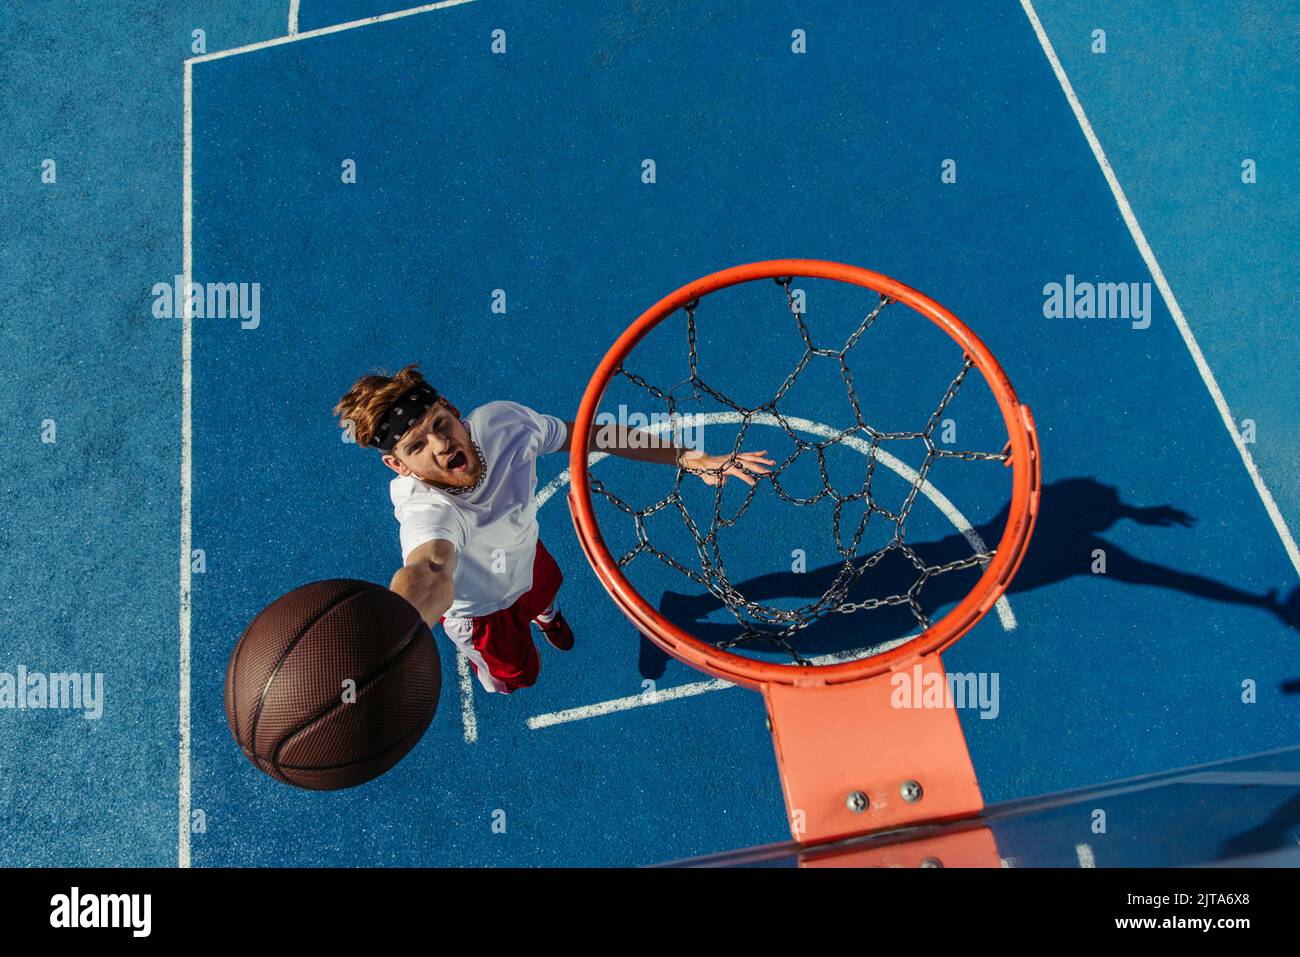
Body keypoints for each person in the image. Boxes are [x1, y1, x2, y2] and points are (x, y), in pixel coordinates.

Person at [334, 364, 773, 694]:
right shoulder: (425, 510)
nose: (441, 443)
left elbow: (592, 436)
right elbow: (430, 567)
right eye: (416, 446)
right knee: (521, 676)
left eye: (439, 424)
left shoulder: (505, 424)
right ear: (397, 465)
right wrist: (394, 636)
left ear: (451, 409)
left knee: (546, 594)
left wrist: (688, 458)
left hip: (526, 556)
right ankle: (492, 662)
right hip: (482, 613)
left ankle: (545, 615)